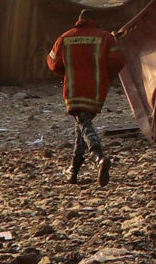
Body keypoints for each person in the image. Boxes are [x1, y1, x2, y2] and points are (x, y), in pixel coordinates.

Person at [46, 10, 127, 185]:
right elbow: (119, 59)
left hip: (75, 90)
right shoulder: (105, 38)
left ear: (79, 20)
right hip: (96, 90)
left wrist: (67, 71)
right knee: (82, 126)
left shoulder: (65, 37)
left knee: (83, 125)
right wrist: (107, 76)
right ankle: (73, 171)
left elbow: (52, 63)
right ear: (94, 20)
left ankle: (98, 157)